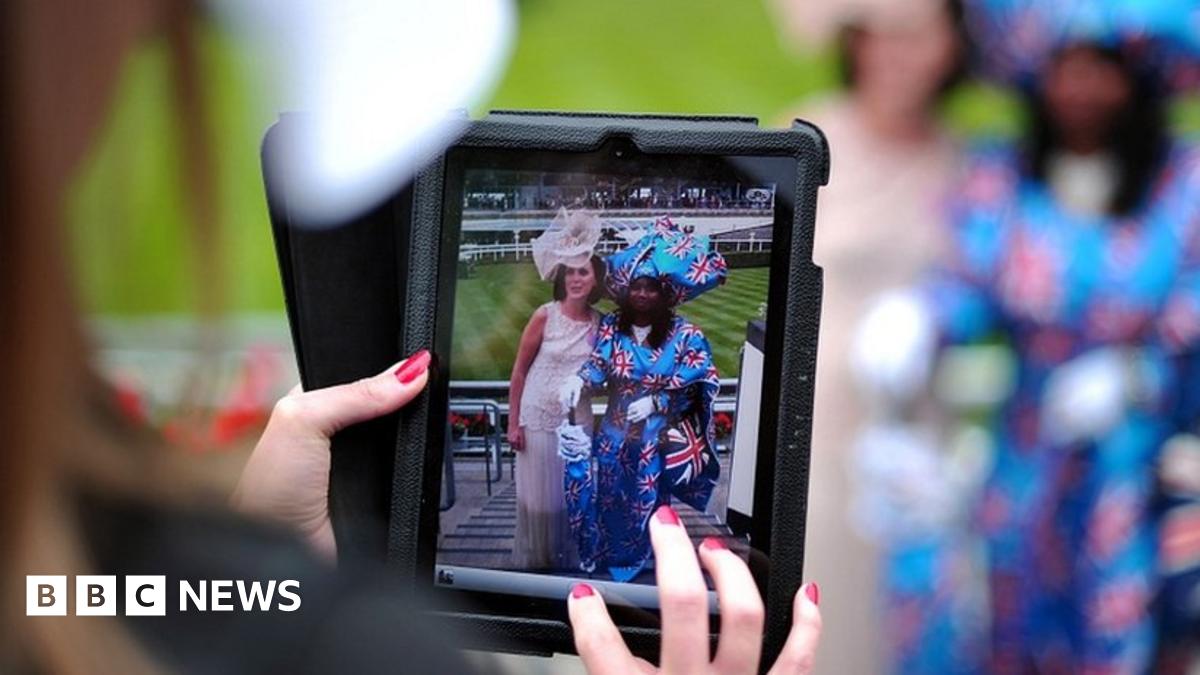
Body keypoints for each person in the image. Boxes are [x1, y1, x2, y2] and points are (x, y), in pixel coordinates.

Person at [4, 2, 824, 672]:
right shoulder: (334, 644)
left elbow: (88, 594)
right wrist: (265, 591)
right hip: (590, 462)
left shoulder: (80, 579)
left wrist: (257, 579)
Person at [859, 1, 1200, 669]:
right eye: (1063, 72)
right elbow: (966, 280)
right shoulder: (1003, 176)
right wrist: (918, 316)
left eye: (1099, 72)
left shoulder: (1185, 186)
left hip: (1140, 464)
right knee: (1001, 617)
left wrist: (1135, 375)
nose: (1079, 91)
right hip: (1027, 453)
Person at [771, 1, 970, 672]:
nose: (896, 56)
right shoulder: (806, 140)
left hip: (910, 437)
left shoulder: (964, 166)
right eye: (878, 37)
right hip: (813, 427)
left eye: (915, 37)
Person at [559, 217, 727, 582]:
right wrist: (579, 379)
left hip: (655, 437)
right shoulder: (611, 327)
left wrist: (658, 402)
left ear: (663, 293)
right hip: (615, 432)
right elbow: (599, 365)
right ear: (626, 290)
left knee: (647, 500)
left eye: (651, 288)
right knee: (608, 495)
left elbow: (700, 381)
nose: (643, 295)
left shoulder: (686, 334)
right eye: (637, 287)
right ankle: (608, 557)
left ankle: (649, 563)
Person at [507, 208, 603, 570]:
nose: (576, 279)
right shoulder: (544, 315)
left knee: (569, 498)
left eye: (583, 272)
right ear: (562, 277)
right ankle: (537, 565)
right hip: (536, 418)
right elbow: (518, 372)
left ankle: (565, 564)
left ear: (594, 279)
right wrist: (513, 424)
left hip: (576, 424)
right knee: (537, 500)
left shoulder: (599, 323)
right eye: (571, 273)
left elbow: (606, 372)